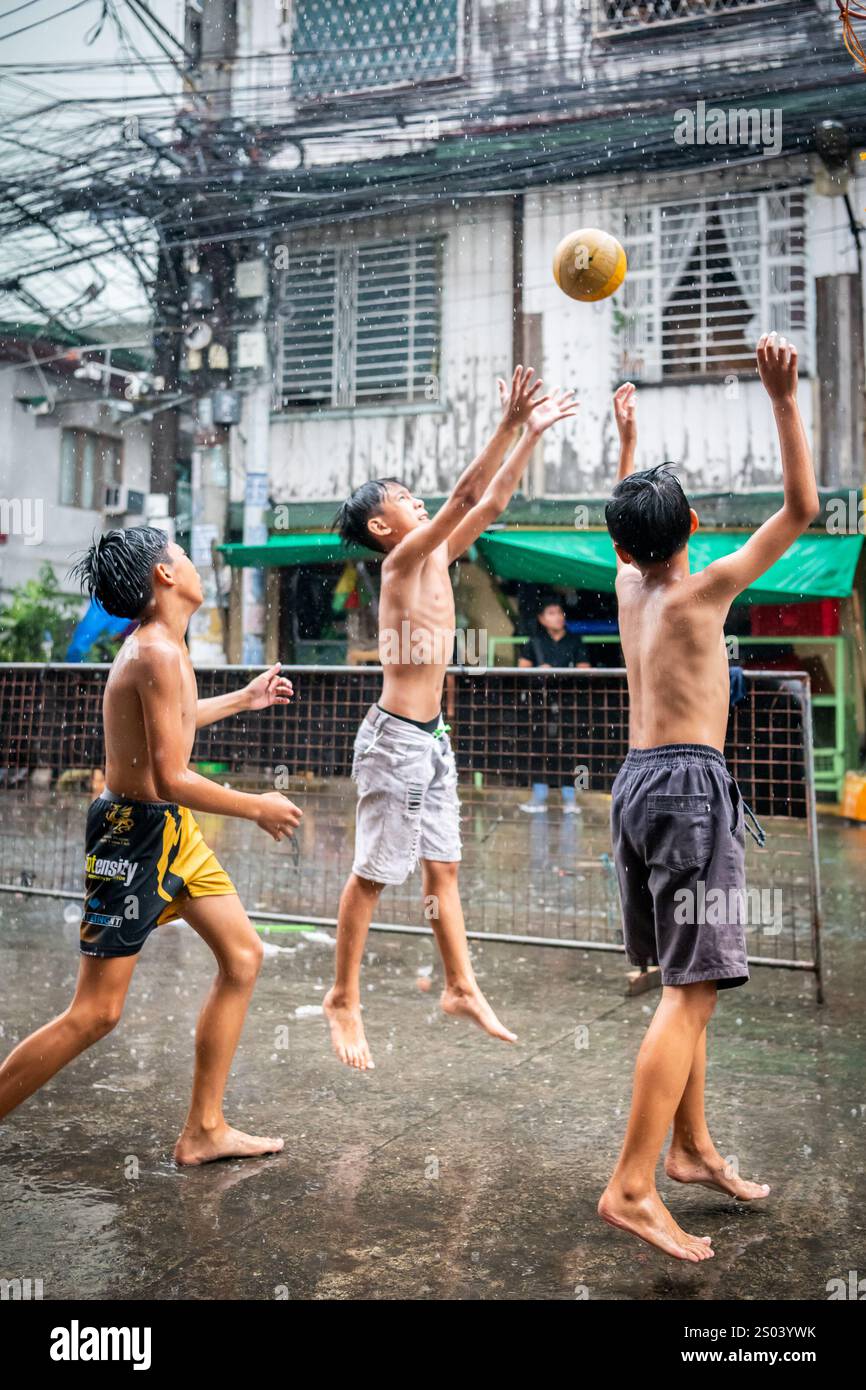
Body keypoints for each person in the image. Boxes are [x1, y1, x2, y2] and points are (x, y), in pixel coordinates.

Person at [598, 334, 818, 1261]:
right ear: (692, 533)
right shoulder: (700, 594)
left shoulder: (625, 586)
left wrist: (628, 436)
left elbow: (623, 528)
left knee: (686, 986)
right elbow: (803, 509)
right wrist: (782, 397)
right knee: (689, 993)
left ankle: (689, 1149)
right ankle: (633, 1185)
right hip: (689, 792)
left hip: (639, 787)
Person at [0, 527, 302, 1166]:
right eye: (185, 555)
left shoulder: (165, 646)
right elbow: (171, 775)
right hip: (132, 837)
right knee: (97, 1013)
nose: (195, 565)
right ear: (165, 576)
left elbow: (174, 725)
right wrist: (256, 807)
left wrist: (243, 699)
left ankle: (205, 1130)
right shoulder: (155, 652)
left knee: (243, 957)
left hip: (171, 835)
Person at [325, 367, 578, 1070]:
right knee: (374, 875)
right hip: (395, 742)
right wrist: (505, 422)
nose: (419, 500)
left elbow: (490, 501)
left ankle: (460, 986)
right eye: (404, 498)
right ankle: (343, 996)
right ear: (383, 526)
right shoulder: (404, 559)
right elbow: (468, 491)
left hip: (432, 741)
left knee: (445, 873)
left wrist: (529, 435)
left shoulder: (437, 550)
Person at [518, 596, 590, 813]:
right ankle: (539, 796)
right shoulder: (534, 642)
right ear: (541, 619)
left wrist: (561, 673)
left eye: (559, 613)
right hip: (541, 702)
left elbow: (585, 669)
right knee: (539, 746)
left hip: (570, 703)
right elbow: (522, 669)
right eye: (551, 613)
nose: (558, 617)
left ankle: (571, 798)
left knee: (571, 747)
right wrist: (540, 672)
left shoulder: (575, 641)